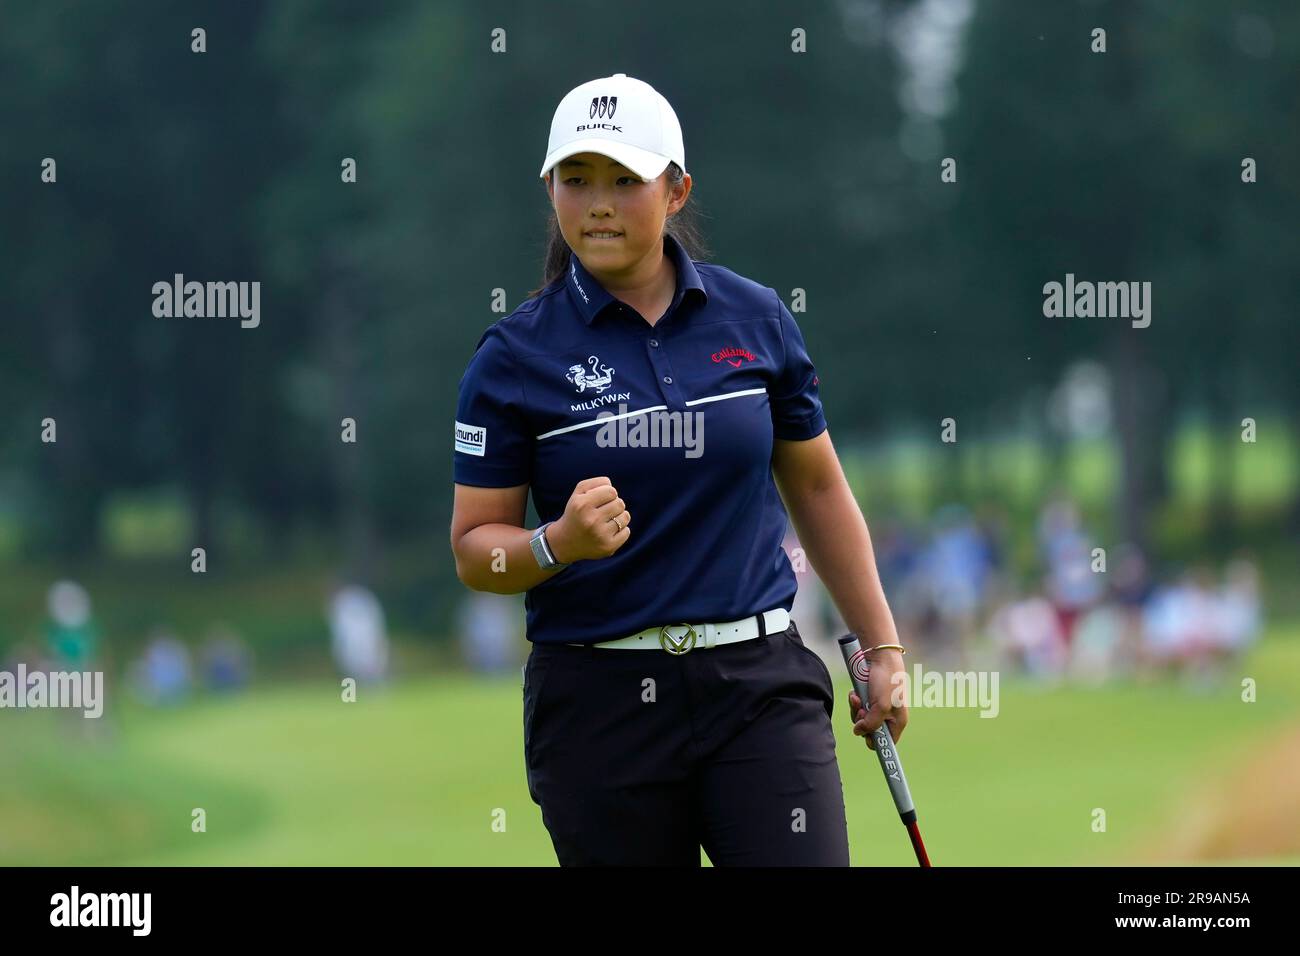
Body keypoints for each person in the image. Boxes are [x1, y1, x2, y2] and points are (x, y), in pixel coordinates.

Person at [449, 73, 908, 866]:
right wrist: (556, 543)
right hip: (598, 711)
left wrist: (884, 649)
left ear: (677, 190)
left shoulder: (756, 317)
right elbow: (474, 550)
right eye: (577, 179)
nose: (598, 203)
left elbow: (818, 486)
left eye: (625, 181)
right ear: (549, 188)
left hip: (758, 686)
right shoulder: (513, 357)